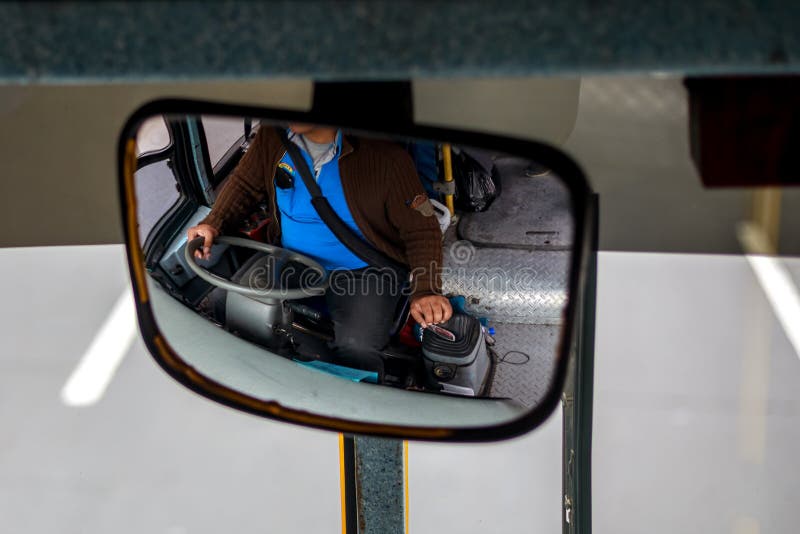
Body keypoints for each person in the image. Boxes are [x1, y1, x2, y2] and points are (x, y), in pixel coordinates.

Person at [187, 123, 452, 372]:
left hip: (363, 270)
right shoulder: (272, 136)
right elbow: (244, 185)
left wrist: (427, 290)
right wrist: (214, 222)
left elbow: (422, 229)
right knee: (230, 305)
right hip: (291, 257)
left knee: (356, 348)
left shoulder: (388, 159)